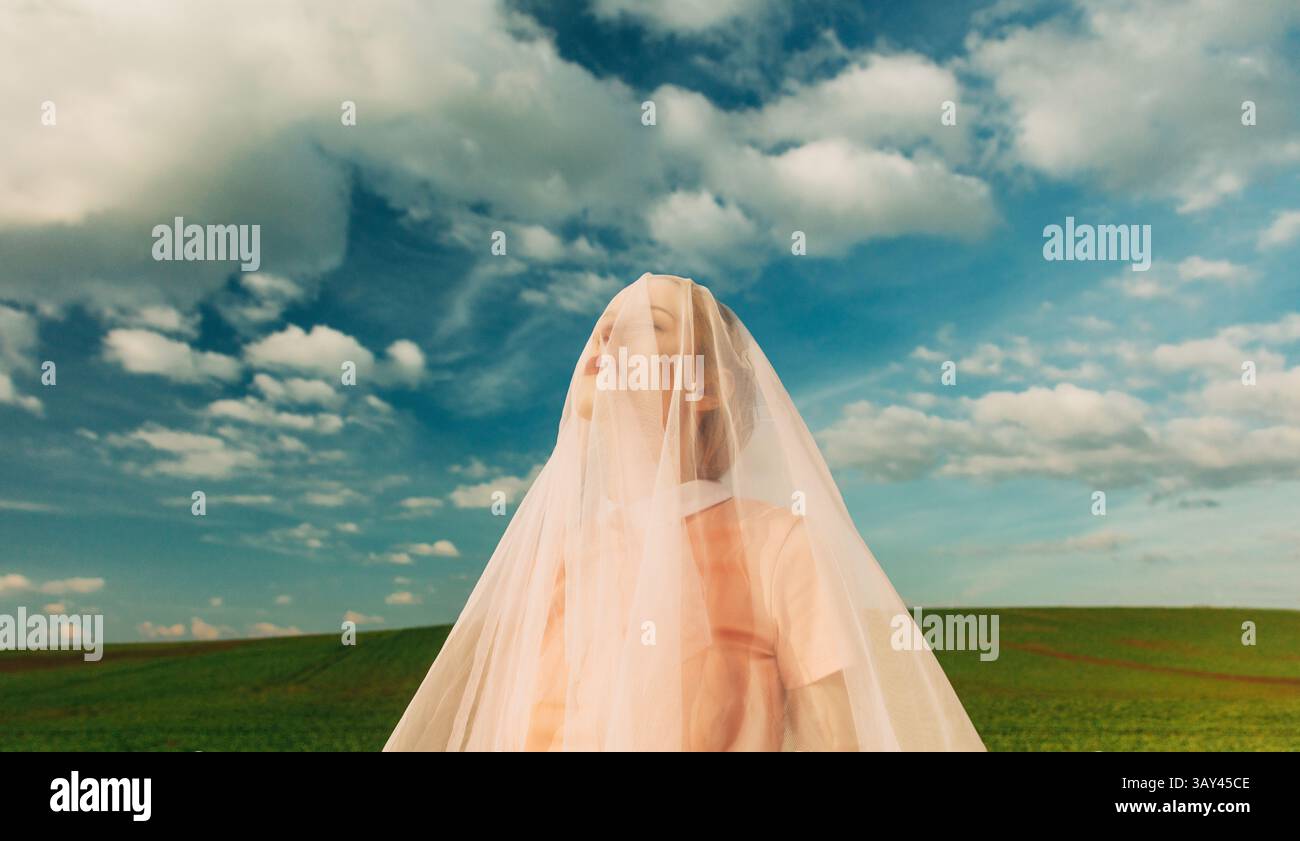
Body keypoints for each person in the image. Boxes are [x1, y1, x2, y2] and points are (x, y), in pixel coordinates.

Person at [385, 273, 986, 751]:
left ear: (705, 385)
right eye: (605, 325)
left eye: (648, 326)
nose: (606, 339)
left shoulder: (776, 546)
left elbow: (837, 740)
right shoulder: (560, 556)